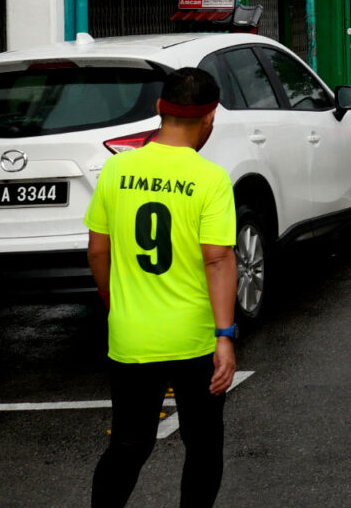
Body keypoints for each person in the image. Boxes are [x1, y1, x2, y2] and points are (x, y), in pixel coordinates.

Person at [87, 67, 237, 508]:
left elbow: (98, 252)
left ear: (158, 108)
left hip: (132, 336)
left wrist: (115, 301)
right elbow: (218, 259)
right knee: (203, 444)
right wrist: (224, 337)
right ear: (209, 117)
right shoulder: (209, 178)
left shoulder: (116, 170)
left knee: (129, 444)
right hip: (194, 338)